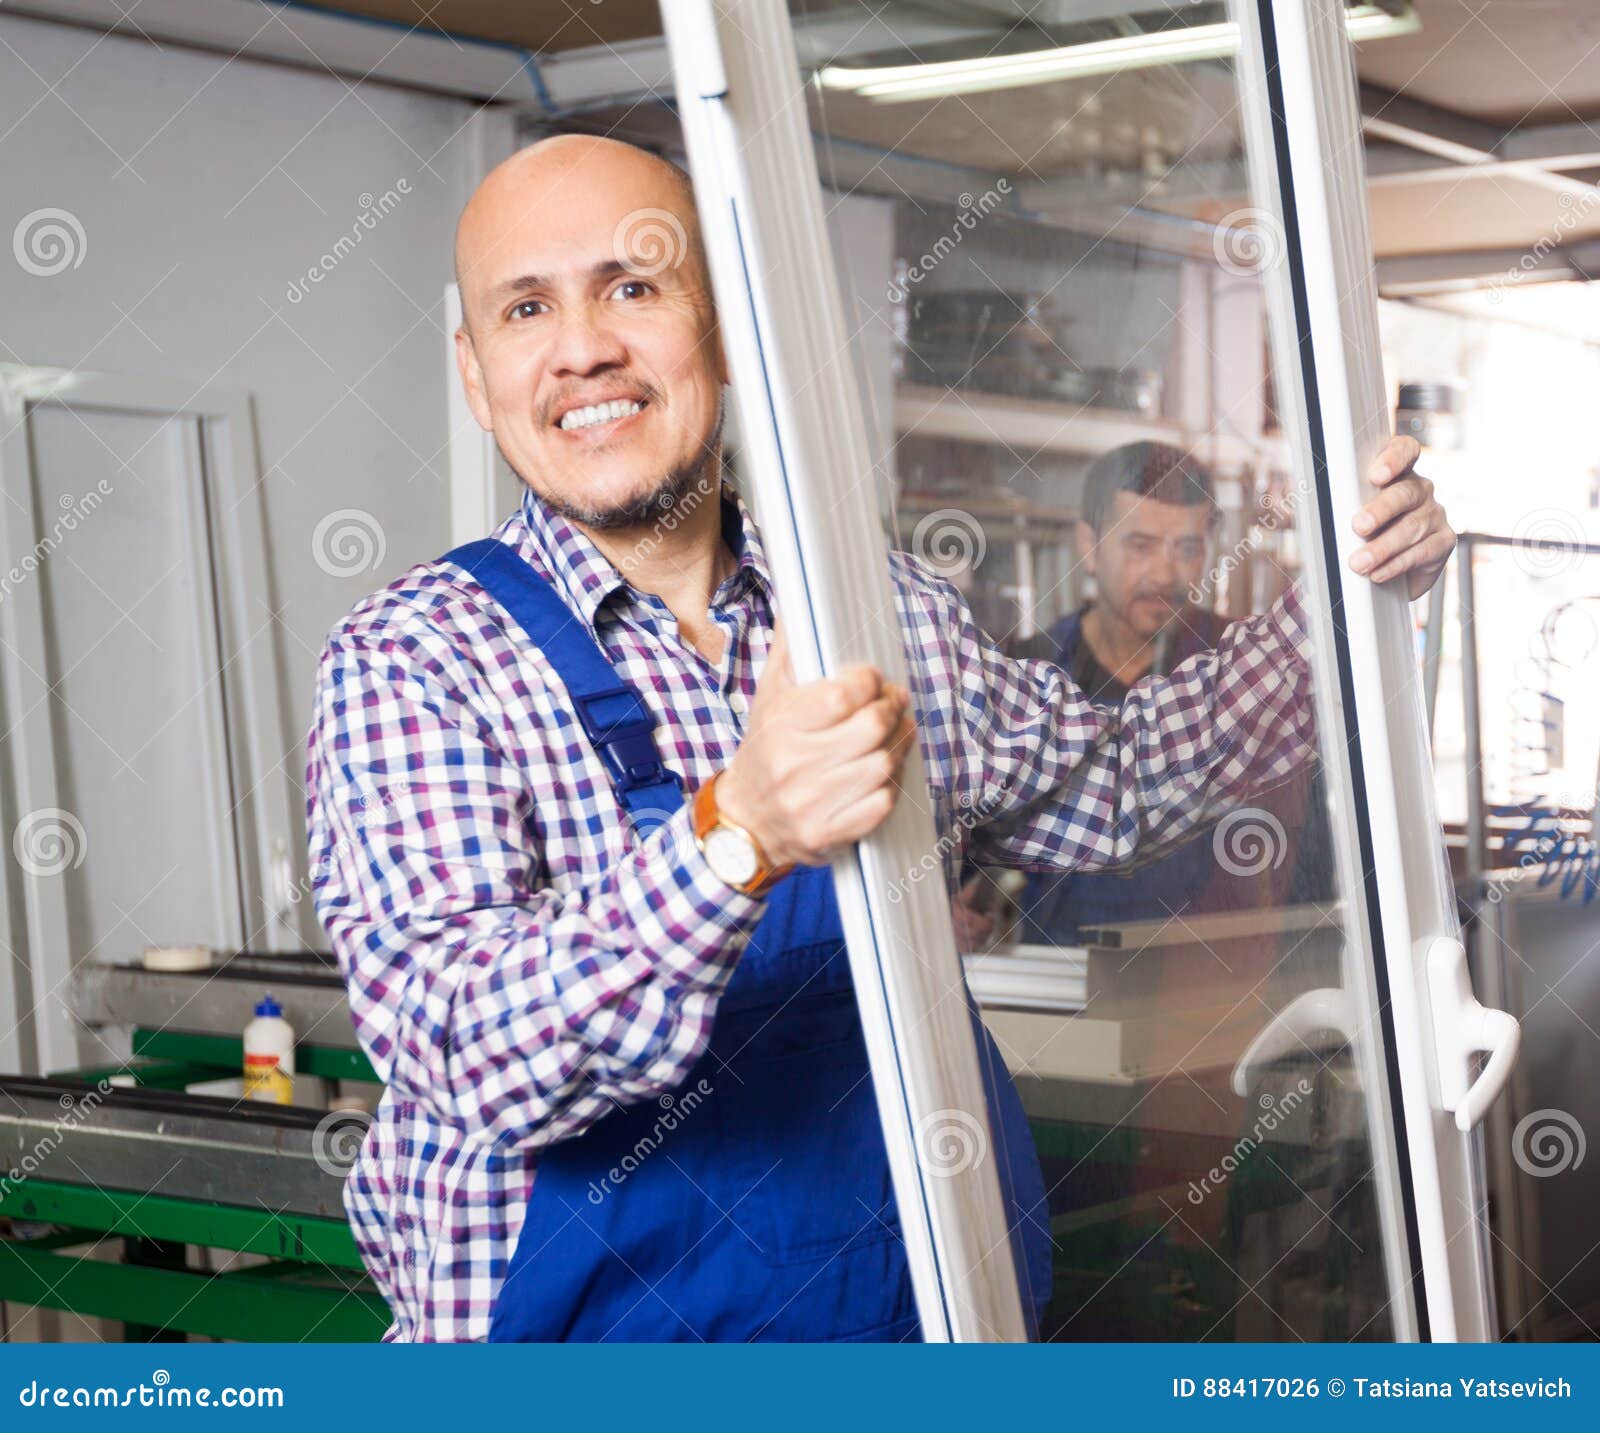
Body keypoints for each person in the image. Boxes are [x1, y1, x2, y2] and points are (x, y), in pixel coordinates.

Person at [305, 135, 1456, 1343]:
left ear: (725, 328)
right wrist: (735, 838)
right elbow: (476, 1053)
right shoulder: (416, 659)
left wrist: (1347, 598)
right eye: (526, 307)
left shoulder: (881, 613)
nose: (583, 346)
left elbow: (1114, 780)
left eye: (631, 285)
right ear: (476, 371)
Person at [1011, 442, 1332, 946]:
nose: (1164, 574)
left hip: (1214, 978)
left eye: (1187, 549)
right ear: (1089, 545)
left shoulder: (1250, 670)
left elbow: (1309, 872)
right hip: (1057, 979)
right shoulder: (1028, 673)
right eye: (1140, 545)